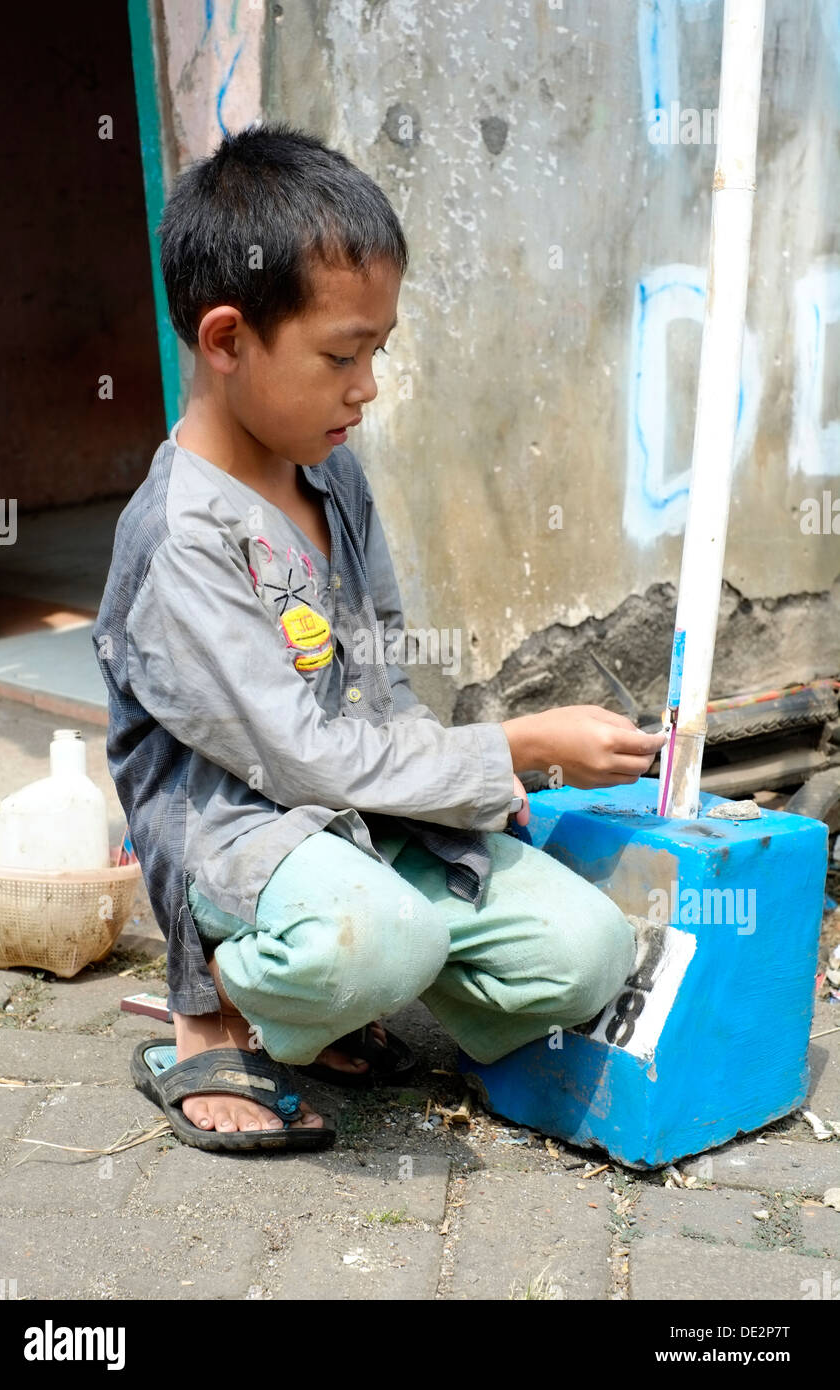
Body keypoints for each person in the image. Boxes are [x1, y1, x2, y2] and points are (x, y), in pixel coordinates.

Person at [93, 121, 666, 1152]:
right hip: (242, 832)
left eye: (377, 352)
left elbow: (377, 677)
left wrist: (465, 795)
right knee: (378, 938)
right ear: (226, 341)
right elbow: (301, 756)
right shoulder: (183, 537)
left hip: (363, 811)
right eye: (342, 355)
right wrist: (516, 748)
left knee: (589, 949)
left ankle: (345, 989)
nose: (366, 386)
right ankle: (221, 1000)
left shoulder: (331, 471)